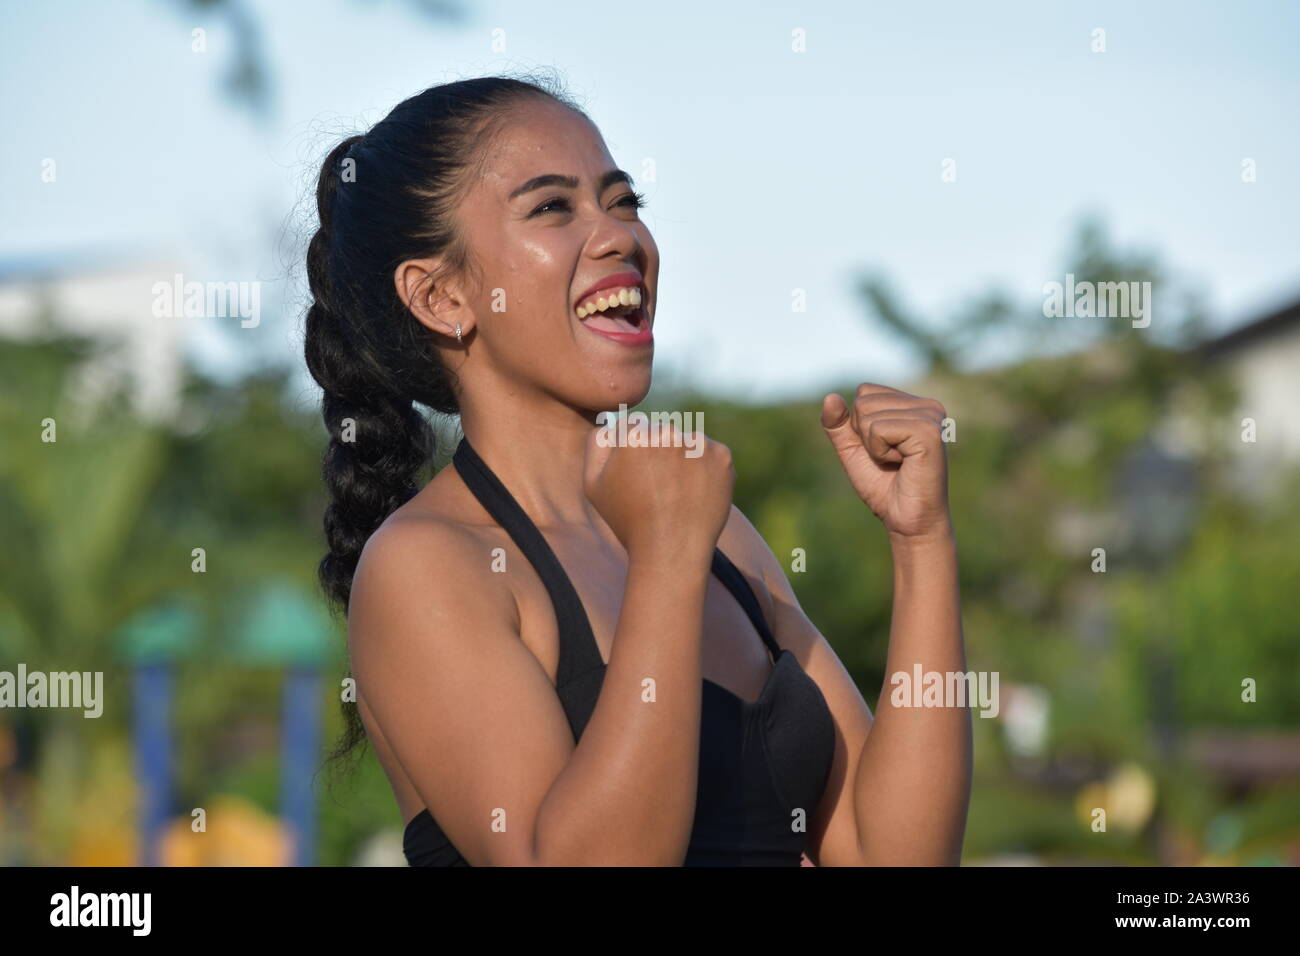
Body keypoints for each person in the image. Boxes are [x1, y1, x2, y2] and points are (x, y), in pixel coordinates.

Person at [303, 74, 971, 866]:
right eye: (553, 207)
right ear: (442, 296)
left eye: (623, 202)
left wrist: (921, 542)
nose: (621, 236)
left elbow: (891, 855)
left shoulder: (723, 541)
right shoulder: (427, 566)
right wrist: (663, 563)